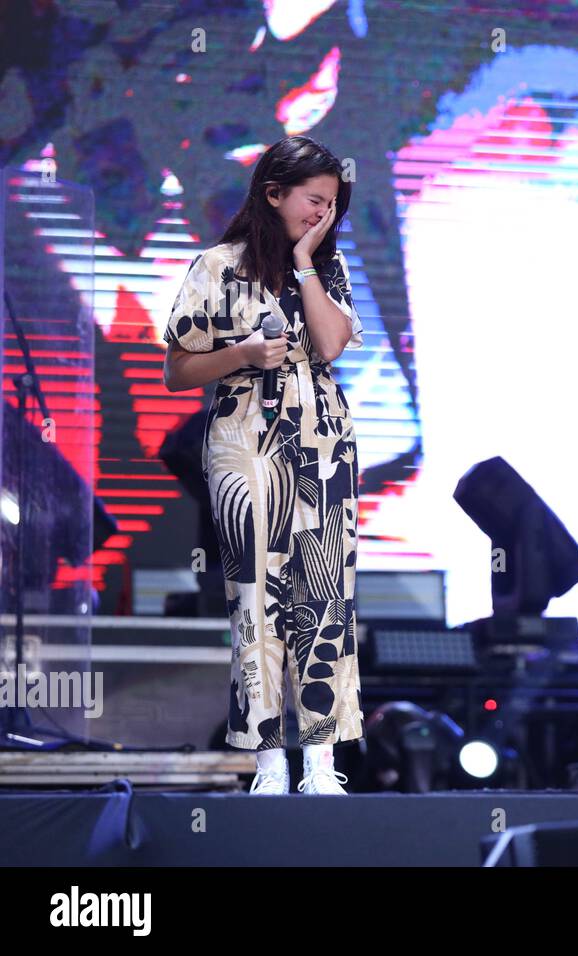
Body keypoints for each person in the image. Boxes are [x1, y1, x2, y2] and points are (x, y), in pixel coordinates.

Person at [162, 136, 365, 795]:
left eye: (332, 205)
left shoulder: (327, 268)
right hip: (244, 435)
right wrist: (245, 352)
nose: (323, 214)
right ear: (273, 194)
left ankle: (319, 760)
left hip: (323, 436)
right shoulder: (217, 266)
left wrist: (306, 261)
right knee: (257, 596)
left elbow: (331, 345)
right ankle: (270, 759)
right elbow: (177, 370)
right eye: (313, 200)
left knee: (323, 596)